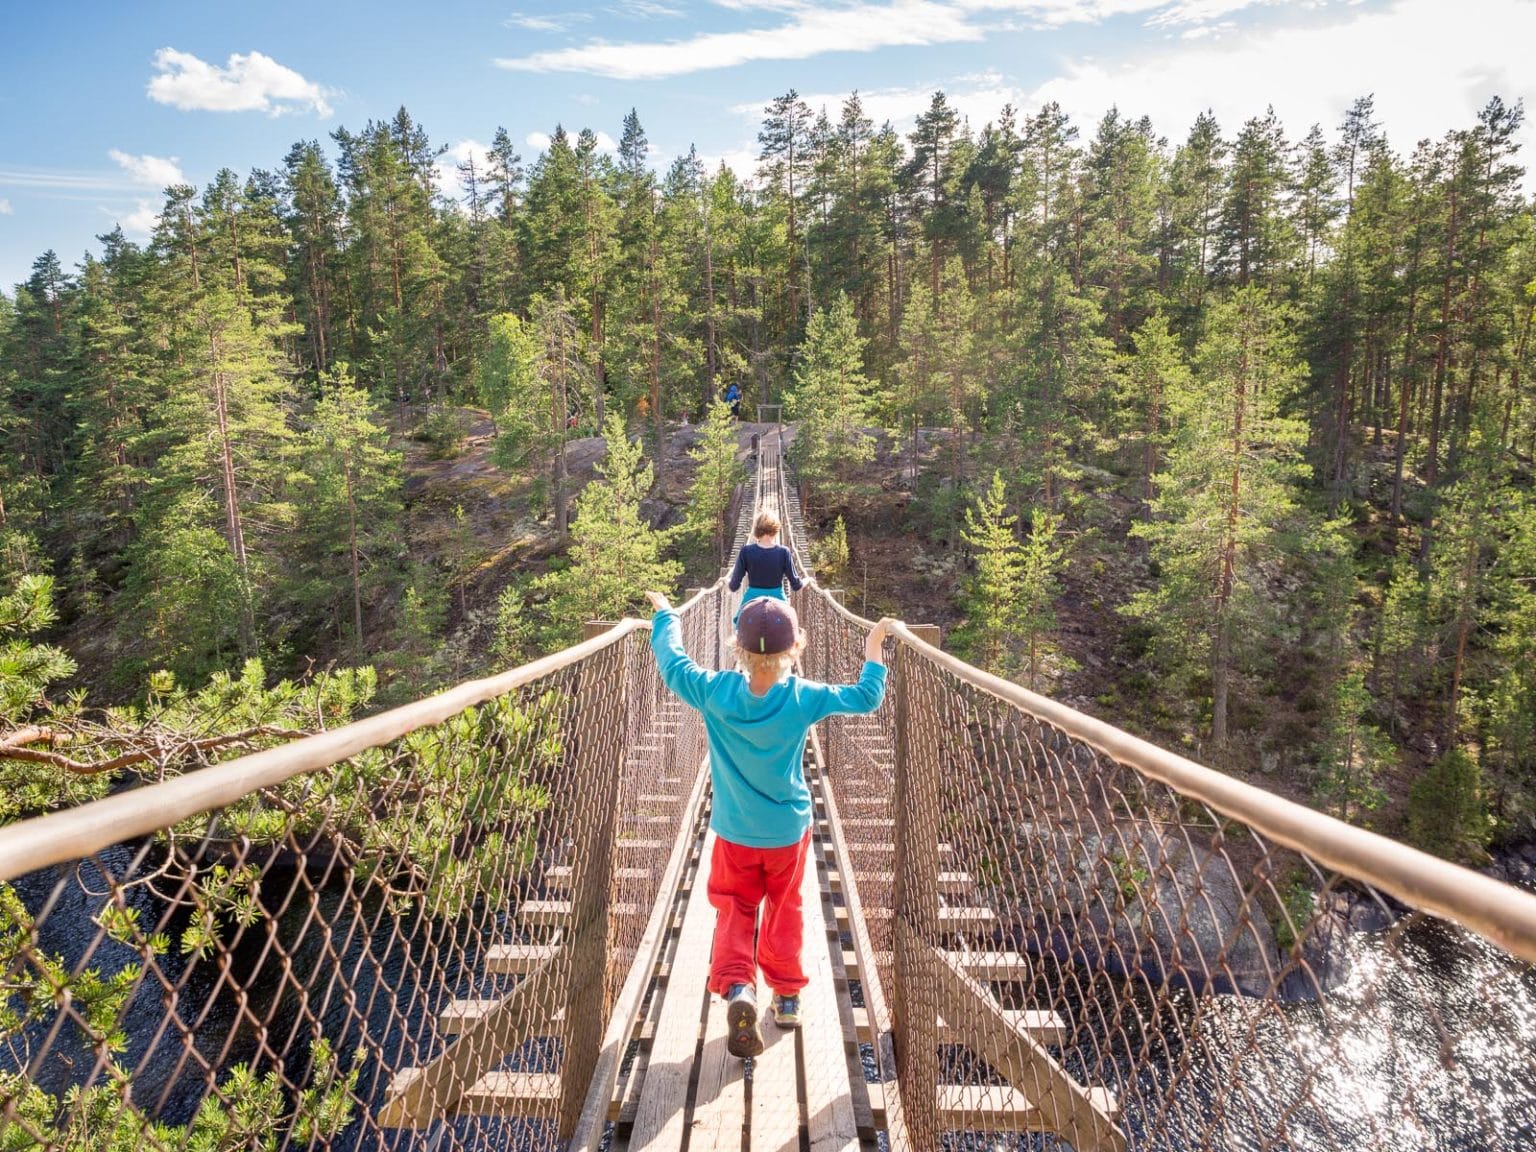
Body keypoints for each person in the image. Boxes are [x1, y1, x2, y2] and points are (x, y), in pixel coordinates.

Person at [645, 589, 894, 1058]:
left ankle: (739, 985)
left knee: (735, 907)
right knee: (785, 907)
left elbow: (674, 665)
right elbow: (866, 698)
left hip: (735, 833)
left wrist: (666, 617)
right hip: (786, 834)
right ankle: (786, 996)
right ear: (795, 649)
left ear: (735, 648)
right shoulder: (802, 698)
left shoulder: (715, 690)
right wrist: (874, 649)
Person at [729, 511, 805, 623]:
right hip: (778, 598)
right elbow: (796, 585)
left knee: (739, 625)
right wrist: (807, 580)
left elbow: (734, 586)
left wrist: (727, 582)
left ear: (756, 529)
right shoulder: (784, 552)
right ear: (776, 529)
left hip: (752, 597)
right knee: (790, 624)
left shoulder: (746, 551)